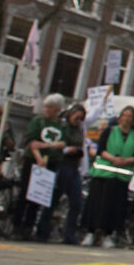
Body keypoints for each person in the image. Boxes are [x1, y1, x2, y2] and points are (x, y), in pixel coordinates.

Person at [80, 107, 134, 248]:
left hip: (120, 177)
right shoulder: (110, 131)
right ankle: (90, 232)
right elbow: (101, 149)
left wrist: (125, 161)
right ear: (120, 117)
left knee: (115, 207)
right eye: (124, 115)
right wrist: (113, 158)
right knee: (96, 204)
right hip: (103, 175)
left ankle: (108, 234)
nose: (126, 118)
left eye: (129, 116)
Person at [34, 103, 87, 244]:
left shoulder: (80, 129)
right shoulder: (62, 127)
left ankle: (69, 235)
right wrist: (66, 149)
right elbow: (56, 143)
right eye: (77, 116)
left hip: (74, 166)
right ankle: (42, 231)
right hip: (62, 164)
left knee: (76, 202)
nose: (78, 119)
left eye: (81, 117)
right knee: (53, 199)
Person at [19, 94, 68, 240]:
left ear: (57, 109)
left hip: (51, 161)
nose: (47, 109)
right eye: (46, 106)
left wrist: (47, 145)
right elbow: (32, 142)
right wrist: (39, 158)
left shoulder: (62, 125)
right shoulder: (38, 121)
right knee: (25, 193)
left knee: (38, 195)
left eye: (50, 107)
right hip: (34, 160)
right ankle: (18, 224)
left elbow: (63, 143)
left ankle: (29, 227)